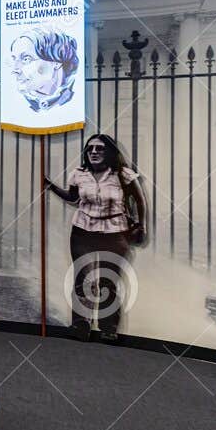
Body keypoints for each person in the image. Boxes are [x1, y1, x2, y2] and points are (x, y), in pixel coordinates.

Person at [44, 134, 147, 341]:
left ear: (109, 152)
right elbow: (73, 198)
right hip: (82, 232)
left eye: (99, 149)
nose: (93, 152)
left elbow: (139, 200)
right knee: (82, 278)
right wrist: (50, 186)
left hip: (115, 233)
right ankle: (81, 325)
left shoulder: (123, 175)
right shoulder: (79, 174)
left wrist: (141, 225)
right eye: (90, 149)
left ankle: (109, 328)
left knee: (108, 281)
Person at [9, 30, 80, 112]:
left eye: (26, 59)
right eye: (14, 59)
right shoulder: (17, 105)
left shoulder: (74, 95)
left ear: (56, 62)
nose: (15, 69)